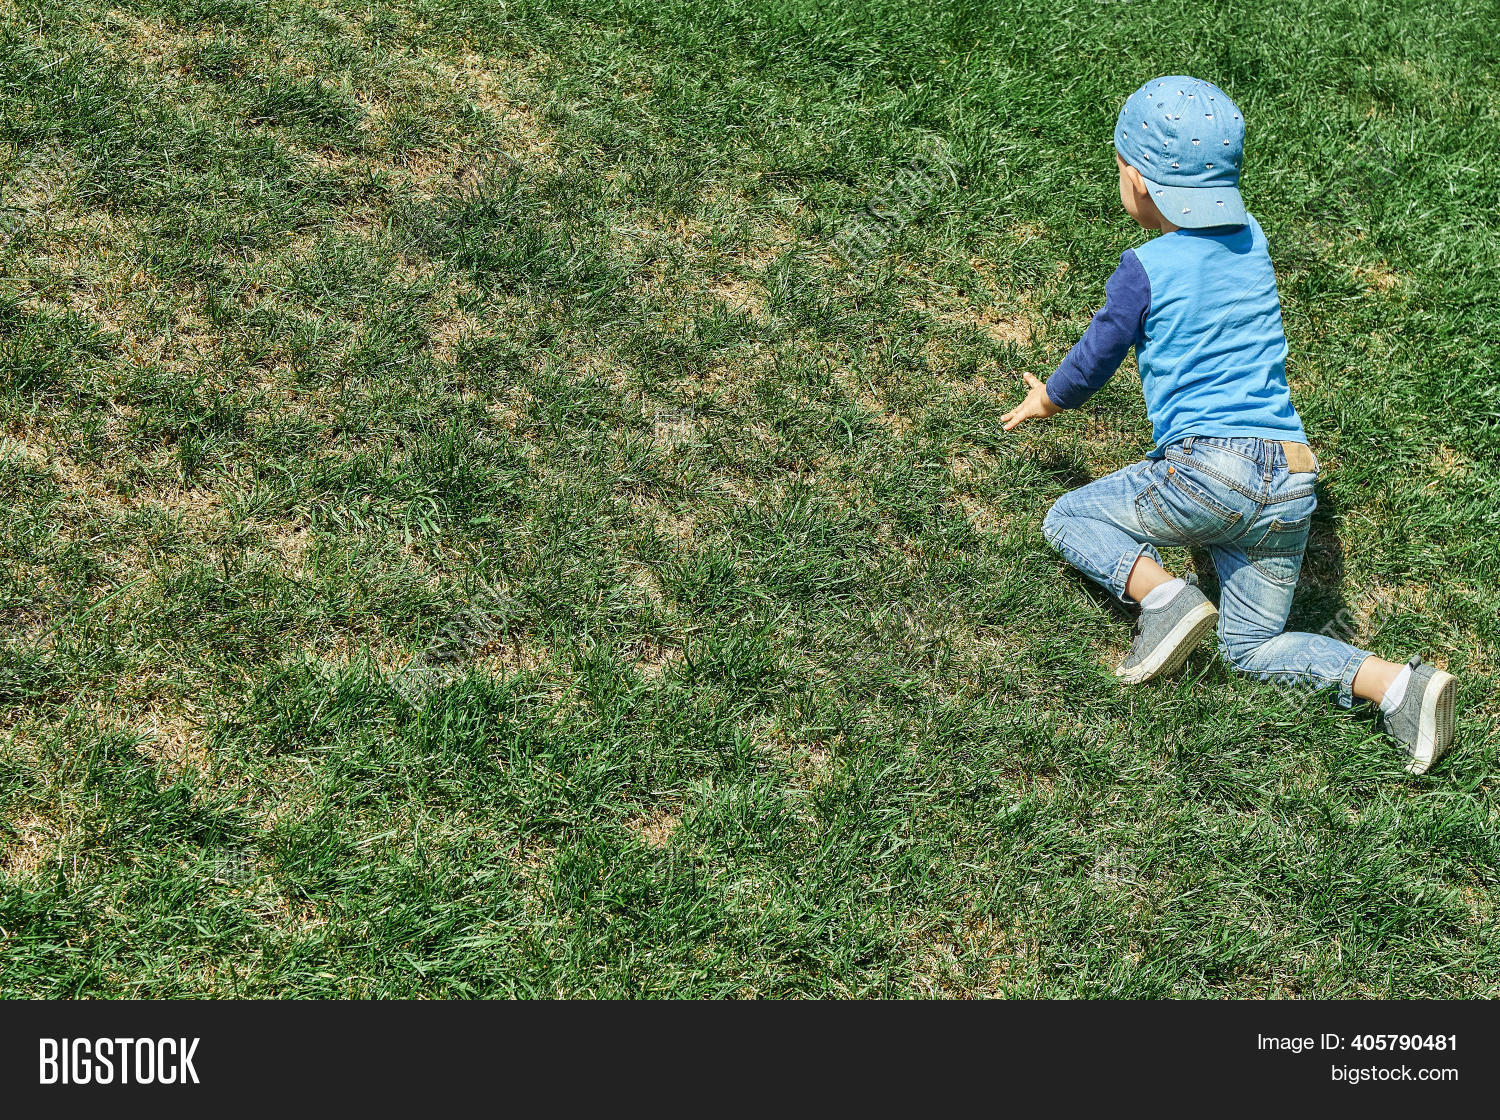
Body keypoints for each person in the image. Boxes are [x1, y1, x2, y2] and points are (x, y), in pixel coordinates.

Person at [1001, 75, 1457, 774]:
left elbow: (1098, 353)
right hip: (1291, 482)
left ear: (1139, 182)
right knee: (1250, 649)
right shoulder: (1253, 240)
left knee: (1069, 518)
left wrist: (1049, 401)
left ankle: (1165, 598)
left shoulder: (1143, 268)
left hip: (1211, 468)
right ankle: (1398, 685)